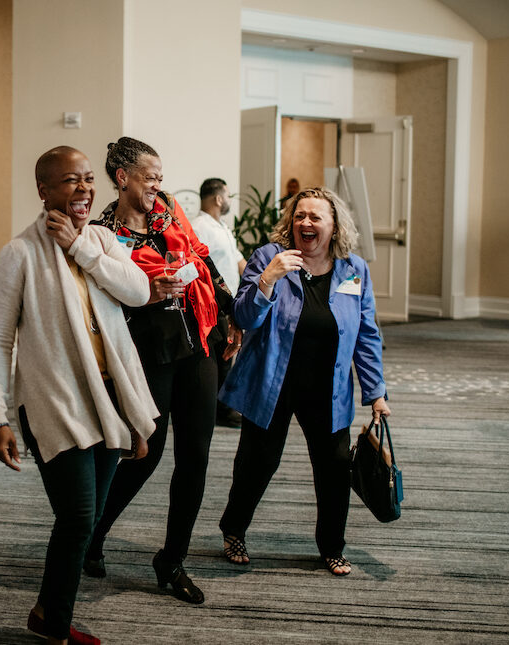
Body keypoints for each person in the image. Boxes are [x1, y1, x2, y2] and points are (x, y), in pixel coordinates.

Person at [0, 146, 158, 645]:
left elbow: (139, 291)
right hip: (54, 402)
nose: (83, 189)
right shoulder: (20, 253)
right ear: (44, 191)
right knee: (79, 517)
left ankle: (47, 612)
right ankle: (55, 626)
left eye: (88, 179)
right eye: (70, 180)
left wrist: (80, 247)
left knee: (88, 517)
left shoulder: (99, 238)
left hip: (108, 399)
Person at [85, 136, 241, 604]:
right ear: (123, 178)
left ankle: (172, 560)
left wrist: (230, 311)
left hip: (198, 345)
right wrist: (148, 290)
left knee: (196, 457)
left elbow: (202, 259)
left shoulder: (169, 210)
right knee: (144, 455)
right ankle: (92, 533)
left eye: (159, 177)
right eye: (150, 177)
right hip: (147, 353)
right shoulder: (102, 233)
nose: (157, 185)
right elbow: (102, 299)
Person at [218, 186, 390, 576]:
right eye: (299, 215)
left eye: (315, 217)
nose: (305, 222)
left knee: (334, 468)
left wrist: (376, 392)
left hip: (328, 387)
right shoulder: (269, 257)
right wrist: (269, 278)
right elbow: (243, 318)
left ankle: (332, 546)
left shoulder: (353, 270)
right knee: (257, 464)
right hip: (272, 384)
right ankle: (234, 530)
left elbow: (365, 335)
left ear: (334, 226)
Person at [191, 178, 247, 427]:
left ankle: (221, 407)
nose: (229, 201)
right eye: (228, 196)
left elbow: (237, 259)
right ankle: (216, 409)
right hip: (211, 304)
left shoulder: (222, 227)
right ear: (218, 198)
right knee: (218, 358)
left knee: (226, 357)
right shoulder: (199, 227)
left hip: (228, 304)